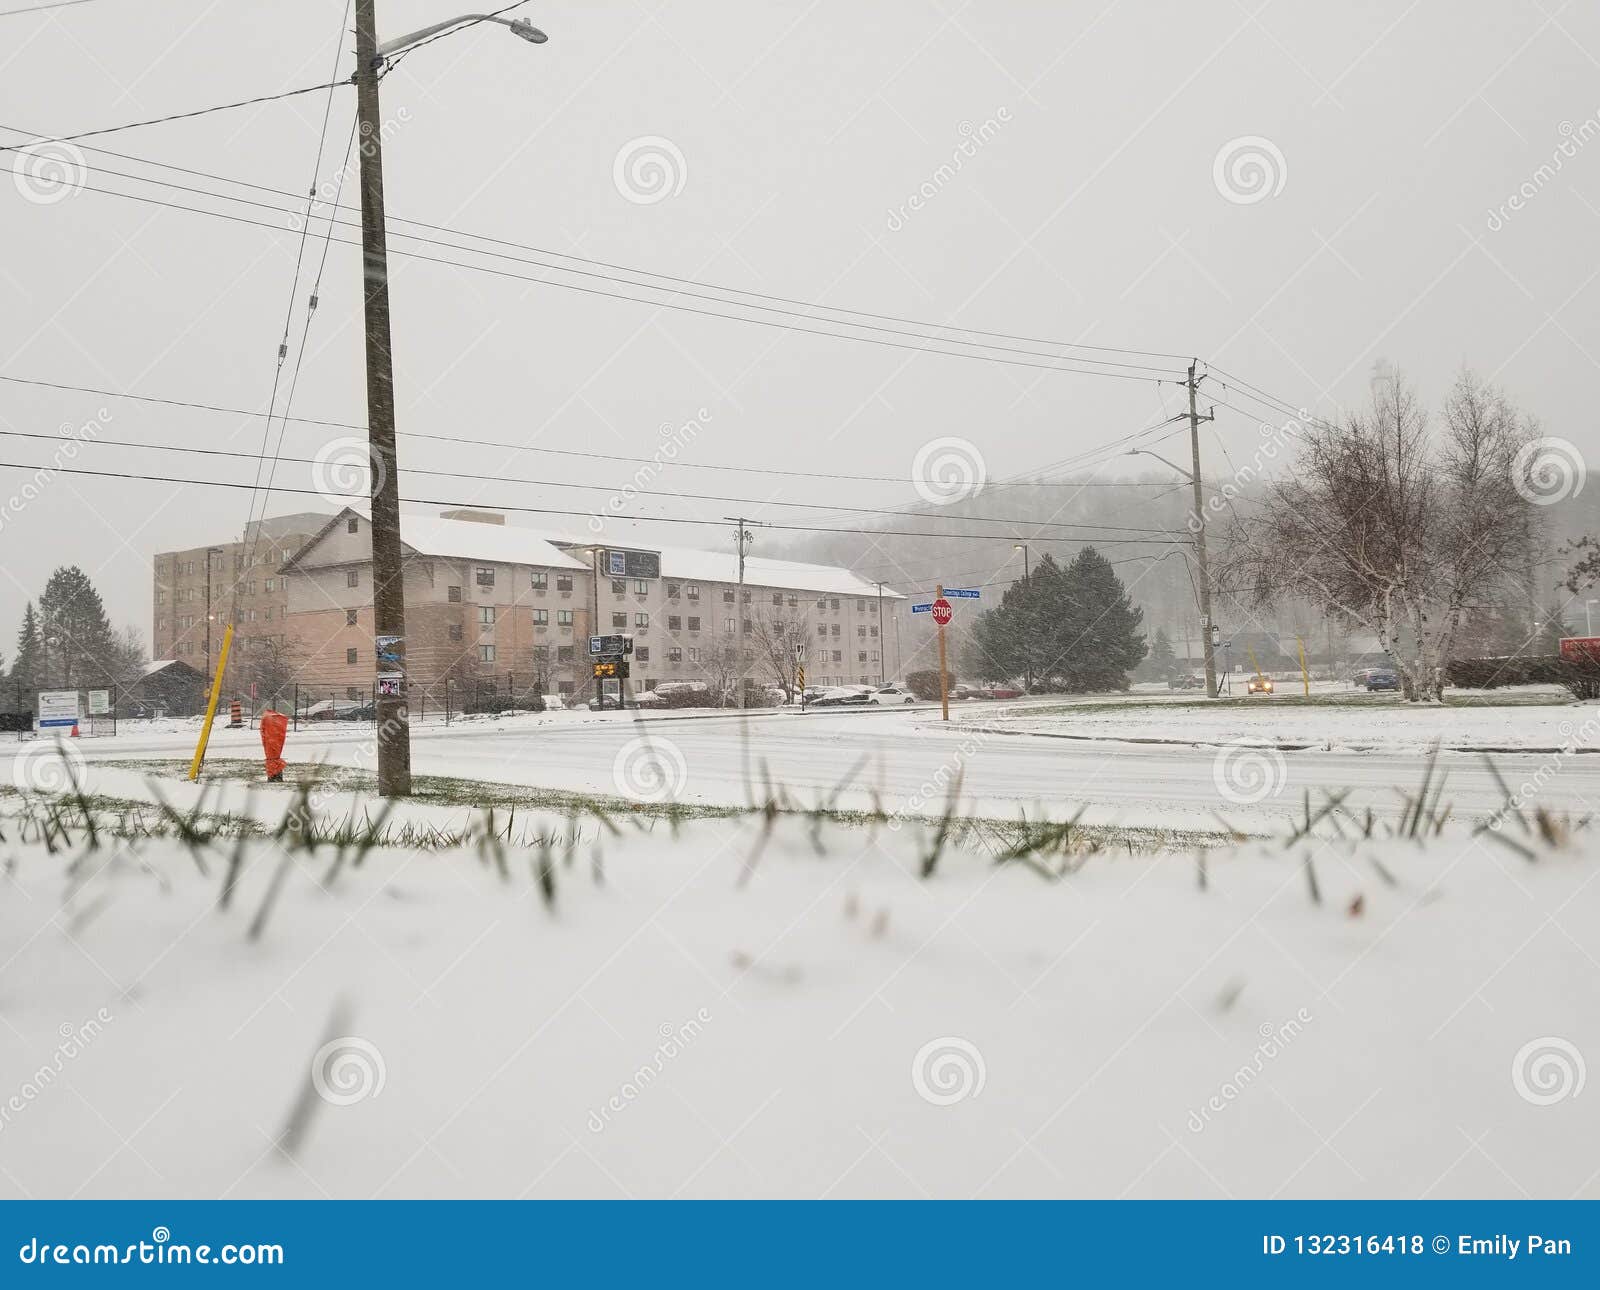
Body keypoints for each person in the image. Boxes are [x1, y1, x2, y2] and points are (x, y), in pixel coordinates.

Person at [260, 708, 288, 782]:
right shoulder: (273, 720)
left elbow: (263, 732)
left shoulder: (268, 719)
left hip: (271, 741)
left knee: (272, 754)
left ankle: (273, 775)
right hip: (273, 741)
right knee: (273, 753)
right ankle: (275, 774)